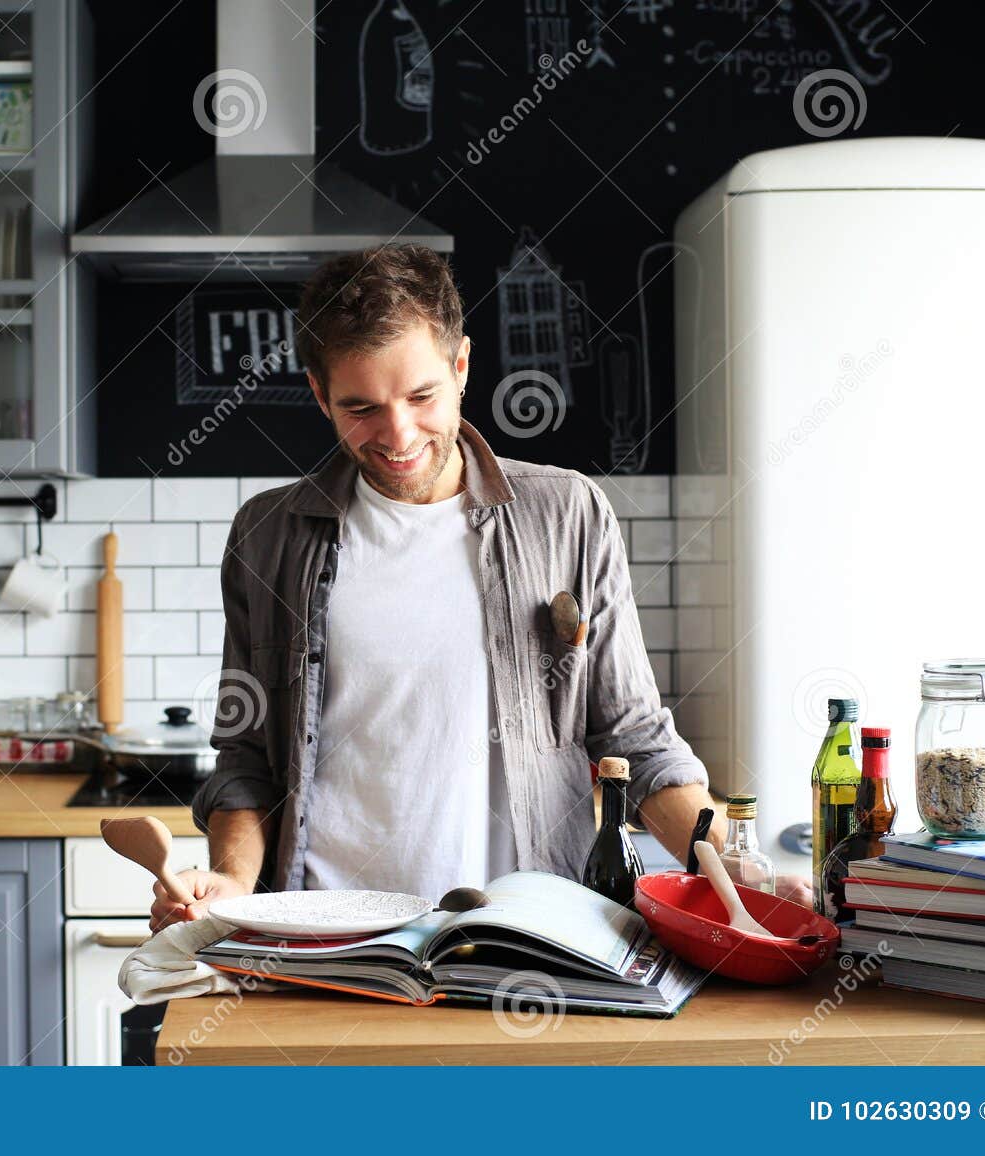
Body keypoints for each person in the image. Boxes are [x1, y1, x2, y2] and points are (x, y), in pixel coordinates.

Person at [145, 243, 809, 929]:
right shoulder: (268, 536)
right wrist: (229, 878)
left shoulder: (566, 514)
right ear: (320, 395)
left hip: (529, 935)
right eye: (360, 407)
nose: (397, 433)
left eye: (422, 395)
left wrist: (727, 867)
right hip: (328, 935)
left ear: (461, 365)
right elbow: (247, 755)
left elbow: (632, 738)